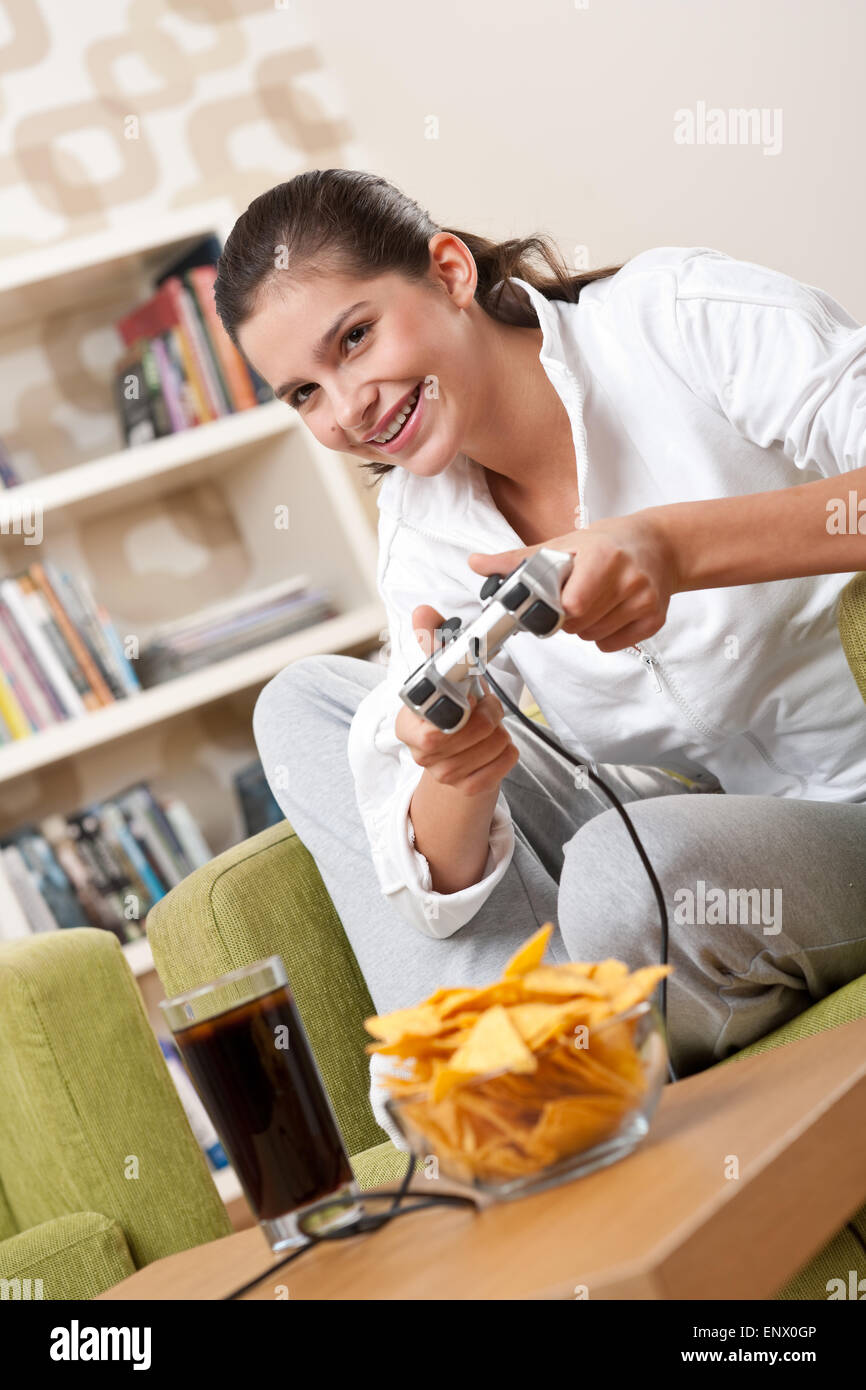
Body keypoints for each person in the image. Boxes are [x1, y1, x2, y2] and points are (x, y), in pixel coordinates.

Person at [213, 168, 866, 1133]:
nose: (349, 407)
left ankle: (544, 1094)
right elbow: (435, 880)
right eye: (305, 391)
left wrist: (674, 547)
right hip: (697, 826)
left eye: (355, 339)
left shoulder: (672, 318)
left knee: (624, 872)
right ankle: (499, 1097)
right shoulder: (419, 533)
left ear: (447, 273)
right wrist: (457, 777)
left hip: (823, 823)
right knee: (303, 702)